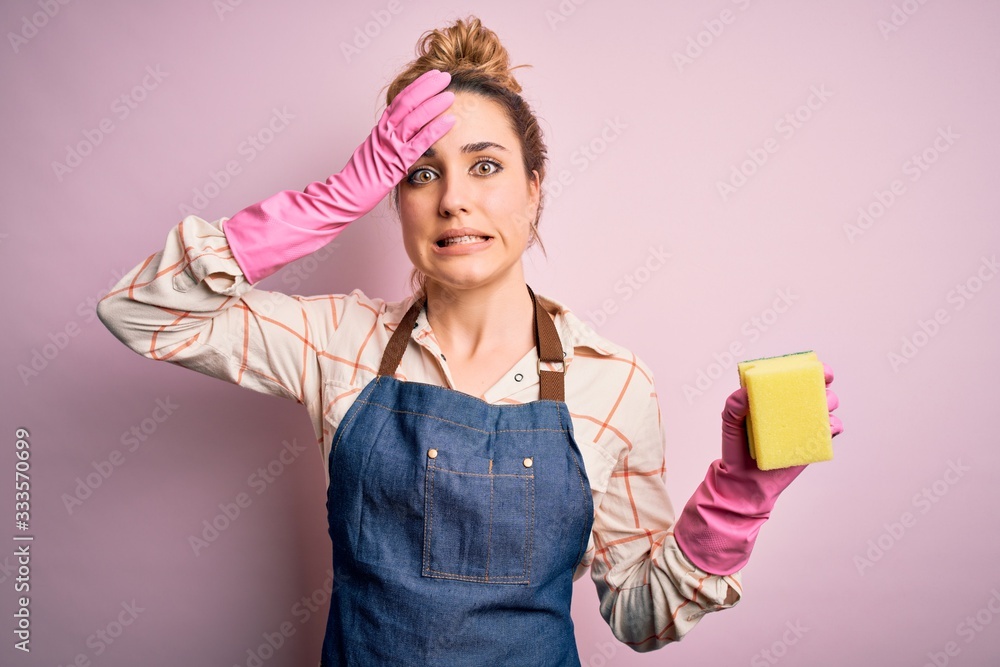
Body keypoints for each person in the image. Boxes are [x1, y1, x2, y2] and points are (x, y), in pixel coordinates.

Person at [97, 15, 843, 667]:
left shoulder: (613, 383)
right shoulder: (335, 342)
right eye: (421, 173)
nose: (453, 197)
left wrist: (736, 498)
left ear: (534, 187)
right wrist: (326, 202)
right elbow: (140, 310)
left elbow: (640, 617)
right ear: (392, 196)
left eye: (486, 166)